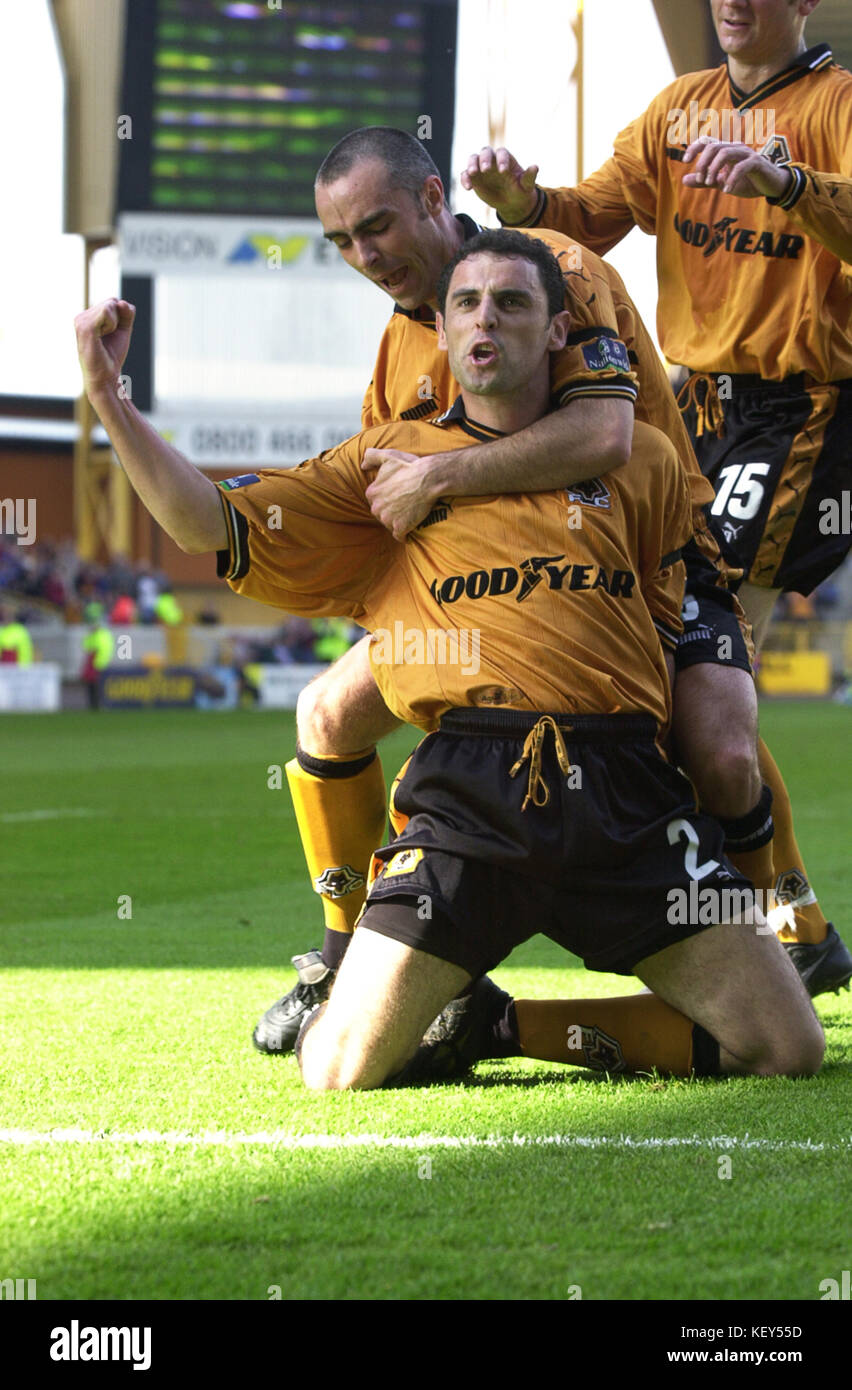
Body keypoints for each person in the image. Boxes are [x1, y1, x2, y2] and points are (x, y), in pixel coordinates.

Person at [73, 232, 823, 1089]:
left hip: (624, 793)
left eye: (512, 303)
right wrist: (110, 396)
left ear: (555, 333)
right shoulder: (384, 463)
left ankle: (499, 1024)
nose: (484, 320)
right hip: (473, 789)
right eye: (466, 303)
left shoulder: (640, 461)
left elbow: (666, 606)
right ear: (442, 330)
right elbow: (209, 522)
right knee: (339, 1070)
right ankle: (345, 957)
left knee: (786, 1050)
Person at [253, 123, 805, 1056]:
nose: (365, 256)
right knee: (327, 713)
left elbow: (601, 440)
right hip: (503, 594)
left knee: (719, 751)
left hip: (648, 557)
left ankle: (794, 933)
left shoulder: (548, 270)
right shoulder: (396, 352)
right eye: (342, 242)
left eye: (377, 226)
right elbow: (392, 515)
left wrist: (440, 479)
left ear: (435, 201)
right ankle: (343, 960)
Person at [461, 0, 852, 991]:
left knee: (696, 653)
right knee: (689, 665)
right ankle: (793, 922)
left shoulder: (838, 100)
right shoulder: (677, 109)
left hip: (799, 405)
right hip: (693, 406)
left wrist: (790, 182)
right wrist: (524, 203)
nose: (732, 1)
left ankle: (773, 924)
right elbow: (589, 223)